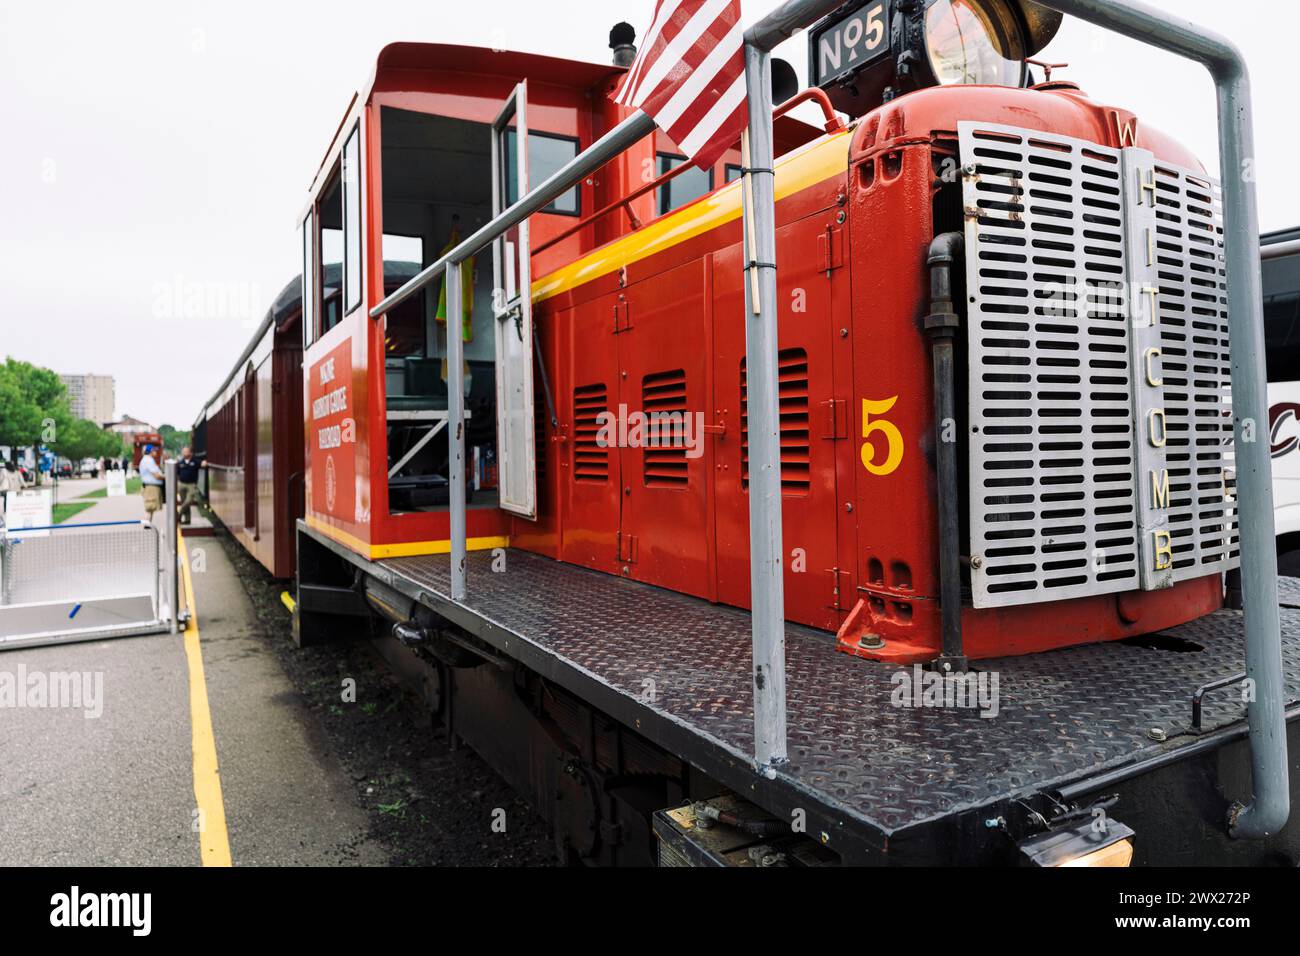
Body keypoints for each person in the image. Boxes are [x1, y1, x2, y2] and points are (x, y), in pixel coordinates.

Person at [175, 445, 206, 525]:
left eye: (186, 451)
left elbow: (203, 464)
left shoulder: (195, 461)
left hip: (191, 485)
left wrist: (204, 463)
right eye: (183, 452)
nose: (184, 453)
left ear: (190, 453)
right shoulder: (180, 463)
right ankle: (187, 520)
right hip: (182, 484)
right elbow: (177, 473)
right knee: (184, 501)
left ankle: (179, 514)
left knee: (188, 501)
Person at [139, 444, 164, 522]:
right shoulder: (148, 460)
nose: (156, 451)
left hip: (151, 487)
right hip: (151, 487)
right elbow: (156, 475)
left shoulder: (148, 459)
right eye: (154, 450)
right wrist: (168, 476)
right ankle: (146, 525)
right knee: (149, 507)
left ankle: (148, 525)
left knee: (151, 508)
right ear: (150, 451)